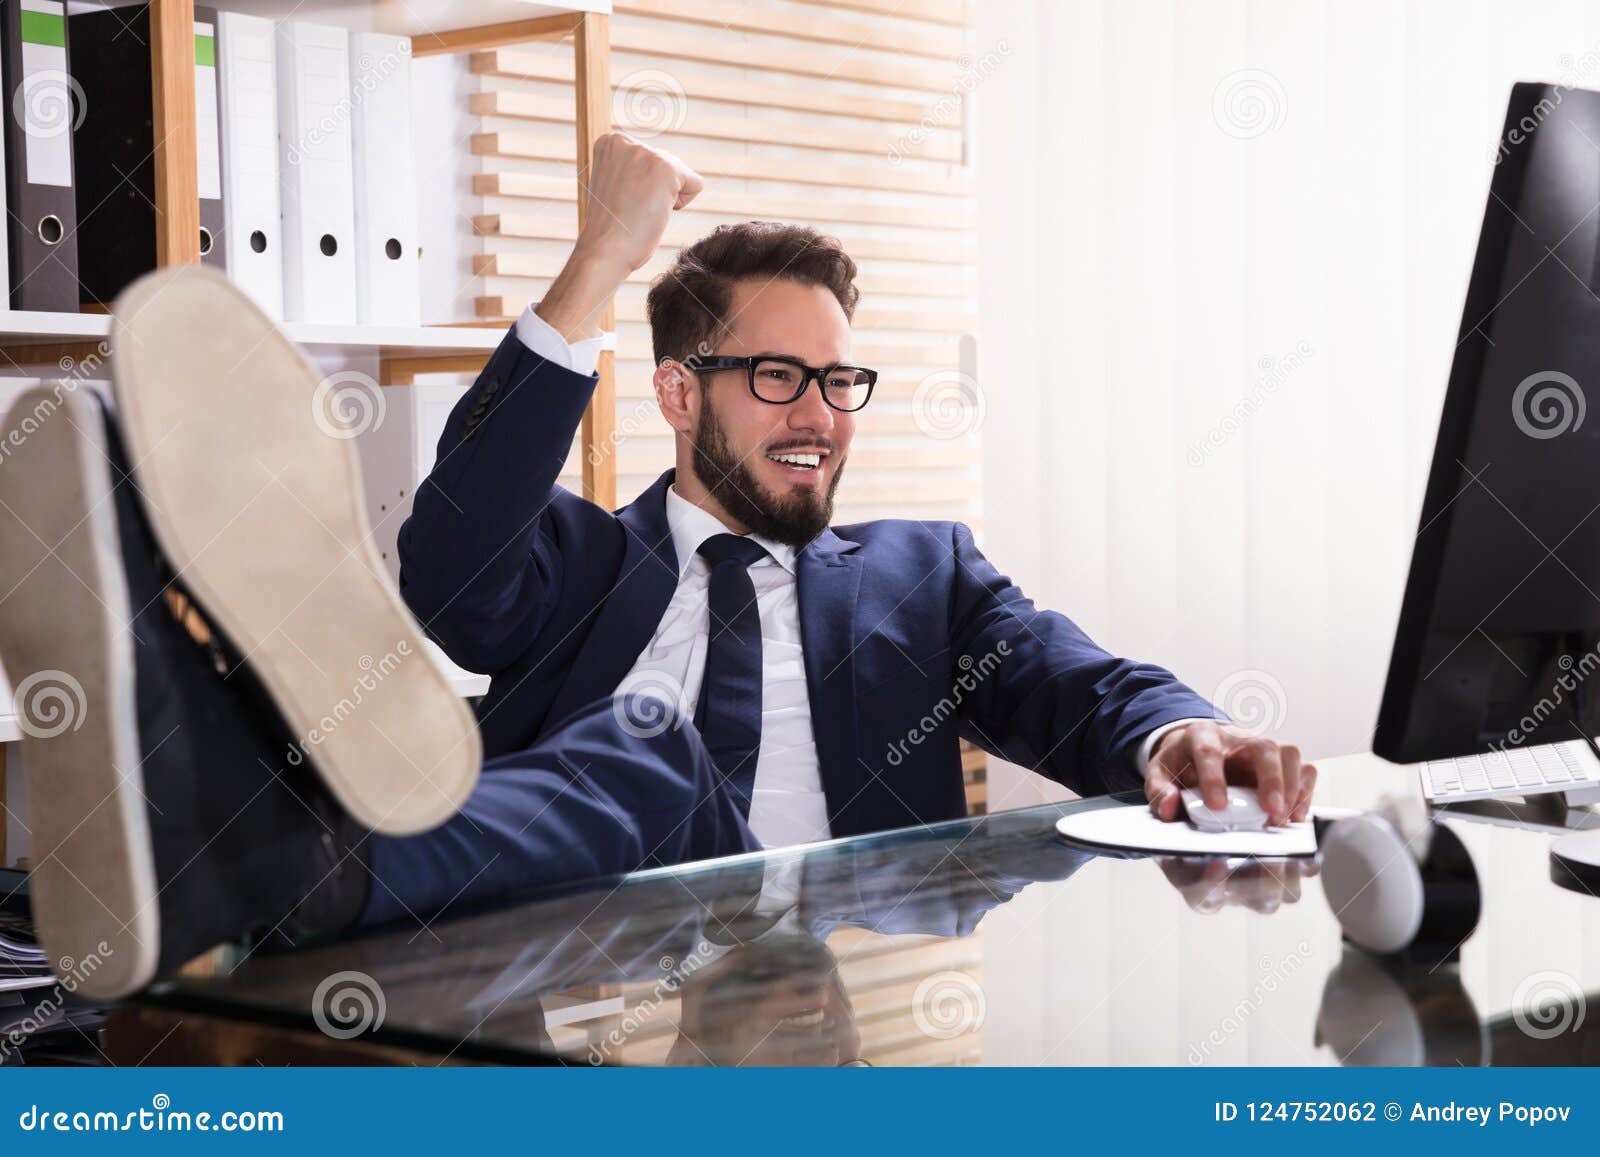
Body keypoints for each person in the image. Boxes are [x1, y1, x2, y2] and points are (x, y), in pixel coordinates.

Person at [0, 133, 1314, 1001]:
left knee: (643, 743)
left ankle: (259, 824)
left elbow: (1080, 687)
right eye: (782, 377)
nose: (823, 413)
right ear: (680, 395)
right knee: (640, 747)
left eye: (842, 378)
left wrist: (1181, 733)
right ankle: (225, 748)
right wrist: (598, 264)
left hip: (831, 983)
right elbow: (451, 571)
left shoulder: (927, 572)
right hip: (585, 982)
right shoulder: (580, 560)